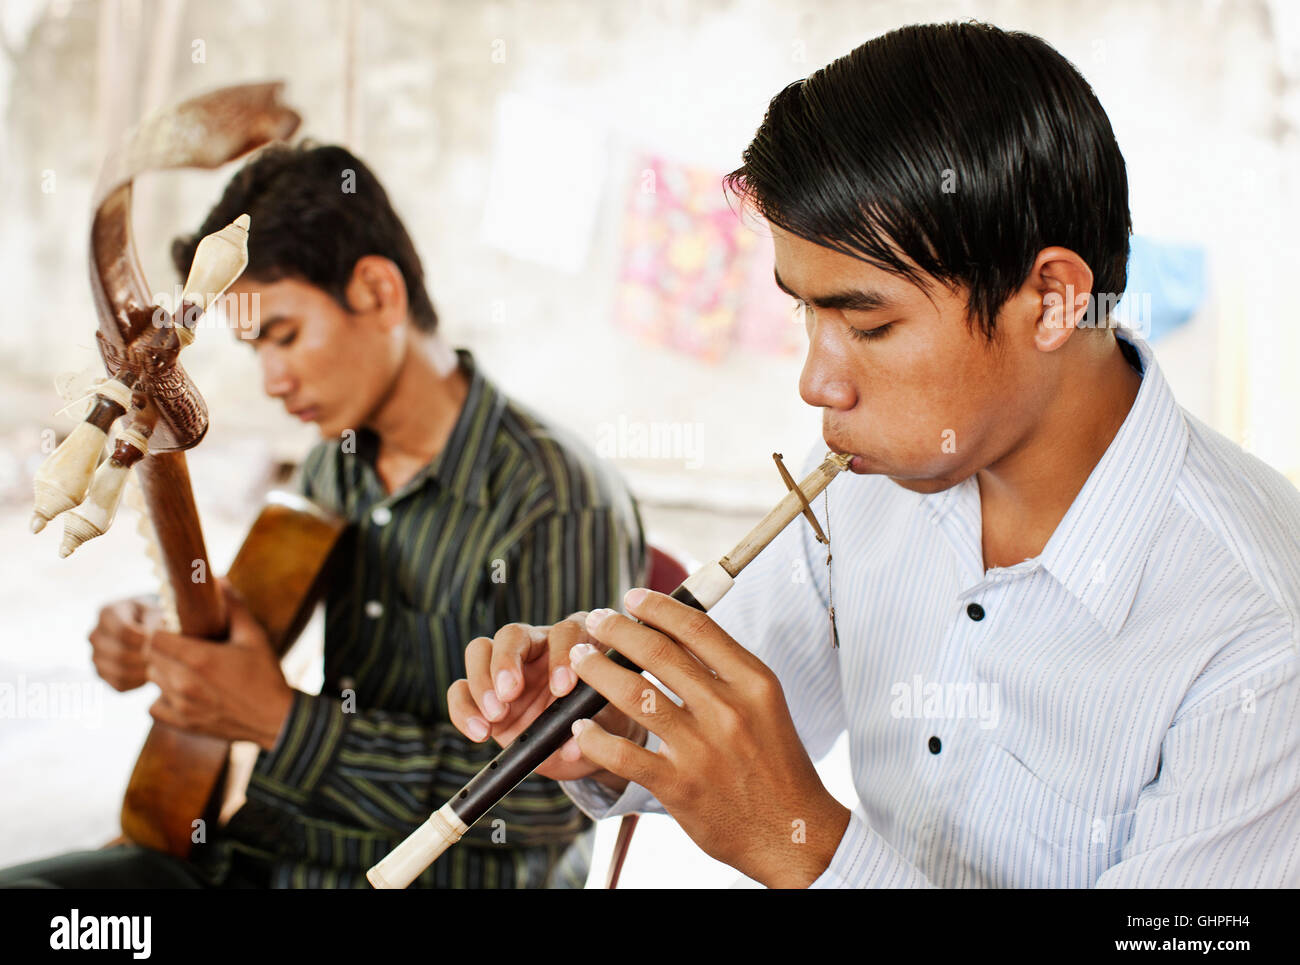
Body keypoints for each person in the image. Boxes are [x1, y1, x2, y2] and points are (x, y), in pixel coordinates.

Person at [448, 22, 1300, 887]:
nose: (818, 382)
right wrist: (604, 719)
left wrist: (801, 842)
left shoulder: (1263, 639)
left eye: (869, 325)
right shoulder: (876, 486)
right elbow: (701, 733)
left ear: (1051, 301)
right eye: (804, 315)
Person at [1, 142, 645, 888]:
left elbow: (553, 797)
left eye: (283, 335)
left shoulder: (557, 498)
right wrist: (159, 626)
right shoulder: (331, 464)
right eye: (253, 350)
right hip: (263, 858)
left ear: (376, 291)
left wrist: (282, 722)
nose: (273, 380)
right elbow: (254, 615)